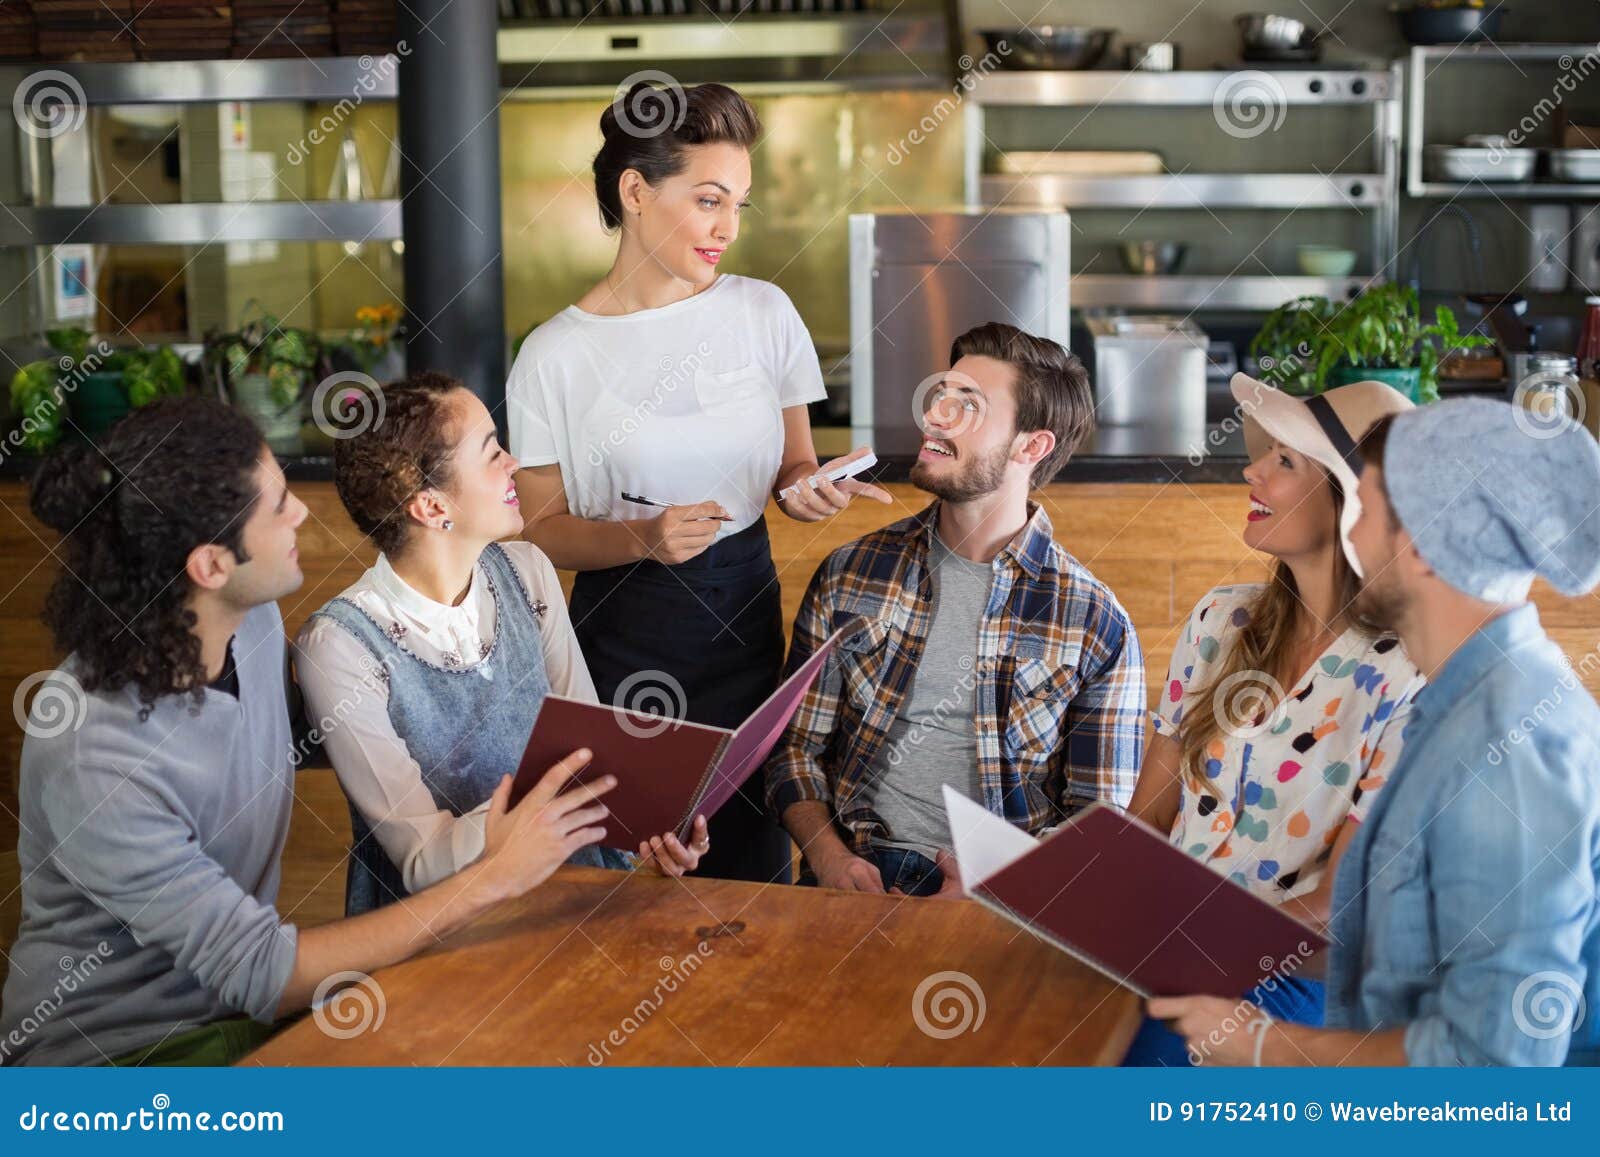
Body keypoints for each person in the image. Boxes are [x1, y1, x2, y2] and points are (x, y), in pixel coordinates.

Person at [0, 397, 618, 1066]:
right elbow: (266, 969)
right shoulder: (94, 751)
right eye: (278, 506)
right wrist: (495, 872)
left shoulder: (254, 627)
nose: (301, 512)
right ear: (210, 565)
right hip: (120, 1059)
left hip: (243, 1017)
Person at [508, 81, 890, 885]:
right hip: (619, 639)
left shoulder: (765, 312)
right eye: (709, 199)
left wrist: (804, 490)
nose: (728, 227)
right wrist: (639, 539)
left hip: (745, 622)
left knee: (751, 869)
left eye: (739, 204)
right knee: (627, 880)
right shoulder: (554, 354)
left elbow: (790, 466)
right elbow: (540, 525)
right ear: (636, 190)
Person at [1152, 397, 1600, 1067]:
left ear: (1421, 544)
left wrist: (1264, 1046)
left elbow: (1495, 1066)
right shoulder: (1462, 702)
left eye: (1367, 508)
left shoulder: (1506, 740)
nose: (1353, 538)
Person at [296, 372, 707, 916]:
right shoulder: (340, 646)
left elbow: (590, 750)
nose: (513, 463)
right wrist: (543, 806)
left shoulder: (528, 571)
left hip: (577, 895)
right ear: (431, 507)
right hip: (443, 935)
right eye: (491, 453)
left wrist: (642, 829)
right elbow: (420, 862)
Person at [764, 322, 1145, 897]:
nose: (936, 415)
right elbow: (795, 750)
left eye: (968, 406)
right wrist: (830, 857)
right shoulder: (851, 573)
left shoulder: (1096, 622)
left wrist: (997, 892)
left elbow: (1099, 820)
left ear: (1031, 446)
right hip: (848, 882)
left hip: (1006, 904)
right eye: (942, 396)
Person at [1121, 375, 1422, 1066]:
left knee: (1133, 1057)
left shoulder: (1404, 673)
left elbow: (1341, 909)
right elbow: (1144, 823)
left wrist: (1204, 946)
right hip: (1159, 948)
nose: (1251, 469)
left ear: (1353, 501)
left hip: (1288, 979)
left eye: (1286, 461)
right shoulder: (1219, 620)